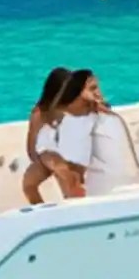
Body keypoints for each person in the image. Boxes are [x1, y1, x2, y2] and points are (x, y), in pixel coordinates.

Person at [43, 68, 109, 198]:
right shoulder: (63, 120)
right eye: (92, 88)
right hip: (75, 179)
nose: (98, 92)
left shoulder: (94, 114)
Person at [21, 67, 70, 205]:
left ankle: (73, 208)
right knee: (28, 184)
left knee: (66, 177)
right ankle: (42, 213)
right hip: (47, 157)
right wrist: (43, 162)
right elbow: (31, 147)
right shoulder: (39, 113)